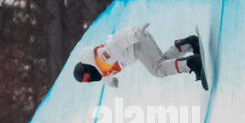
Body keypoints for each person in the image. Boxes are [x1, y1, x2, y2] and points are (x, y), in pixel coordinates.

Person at [72, 25, 207, 90]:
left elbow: (117, 43)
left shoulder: (102, 59)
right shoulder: (100, 70)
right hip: (138, 42)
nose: (90, 80)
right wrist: (112, 82)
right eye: (87, 81)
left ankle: (192, 63)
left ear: (88, 68)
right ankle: (188, 44)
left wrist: (134, 35)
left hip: (136, 43)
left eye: (87, 78)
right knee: (162, 62)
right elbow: (105, 77)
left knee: (158, 70)